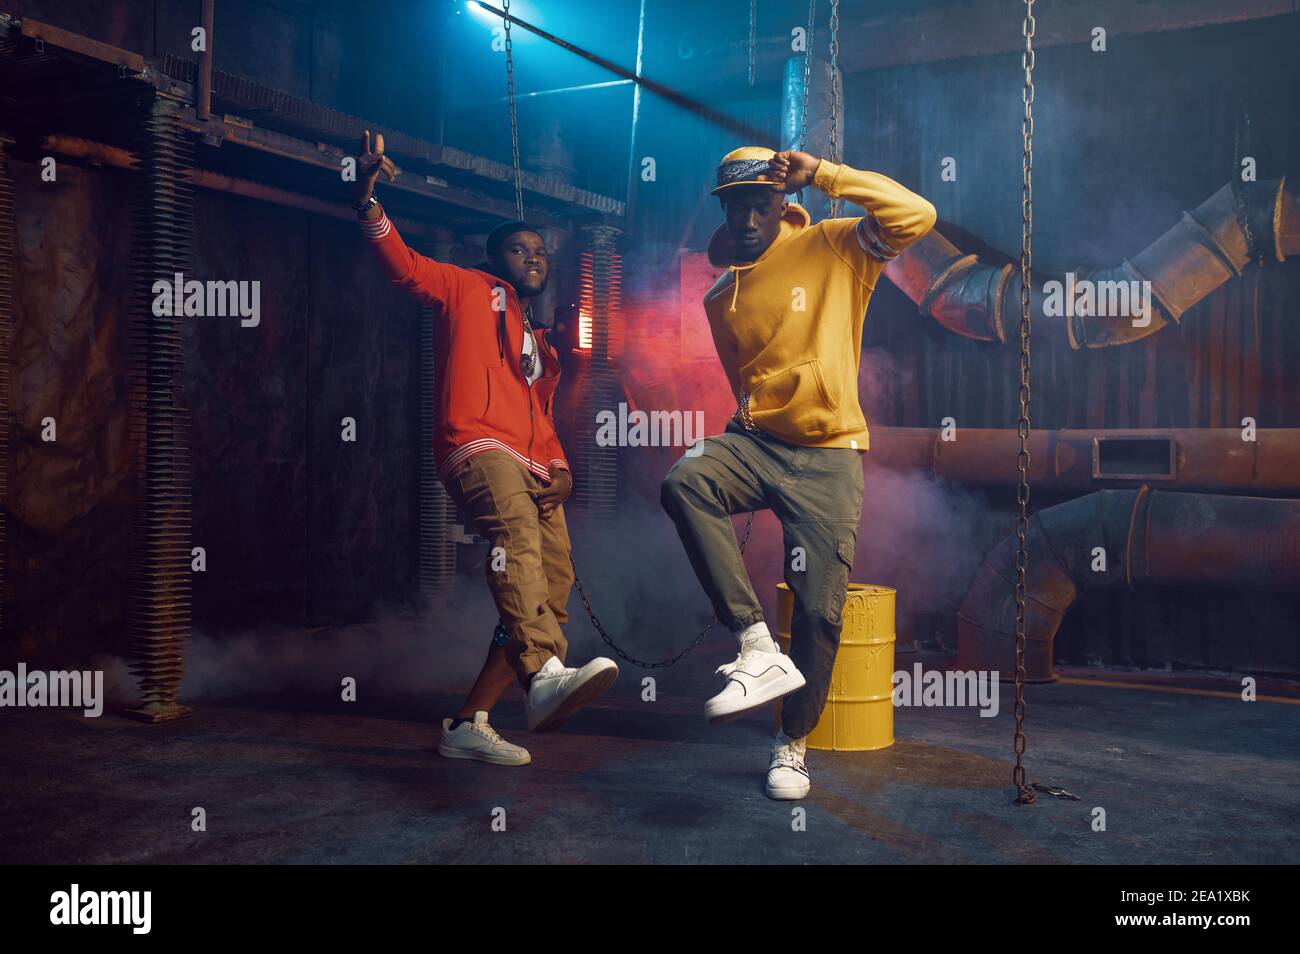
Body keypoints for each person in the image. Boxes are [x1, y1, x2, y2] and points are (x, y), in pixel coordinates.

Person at [660, 146, 935, 799]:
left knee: (818, 611)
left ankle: (792, 744)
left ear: (781, 203)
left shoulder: (835, 246)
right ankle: (755, 645)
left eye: (762, 202)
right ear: (724, 210)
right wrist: (749, 434)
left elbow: (917, 215)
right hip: (755, 442)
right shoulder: (719, 298)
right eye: (738, 205)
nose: (750, 216)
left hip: (829, 455)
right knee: (686, 479)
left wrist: (825, 175)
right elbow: (745, 384)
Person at [351, 130, 618, 766]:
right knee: (518, 547)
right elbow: (405, 267)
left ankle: (470, 721)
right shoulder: (467, 288)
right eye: (519, 249)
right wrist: (367, 197)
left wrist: (561, 470)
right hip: (477, 444)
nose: (534, 256)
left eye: (540, 251)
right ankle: (545, 676)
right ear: (495, 261)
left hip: (533, 465)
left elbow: (541, 418)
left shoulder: (541, 343)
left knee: (551, 586)